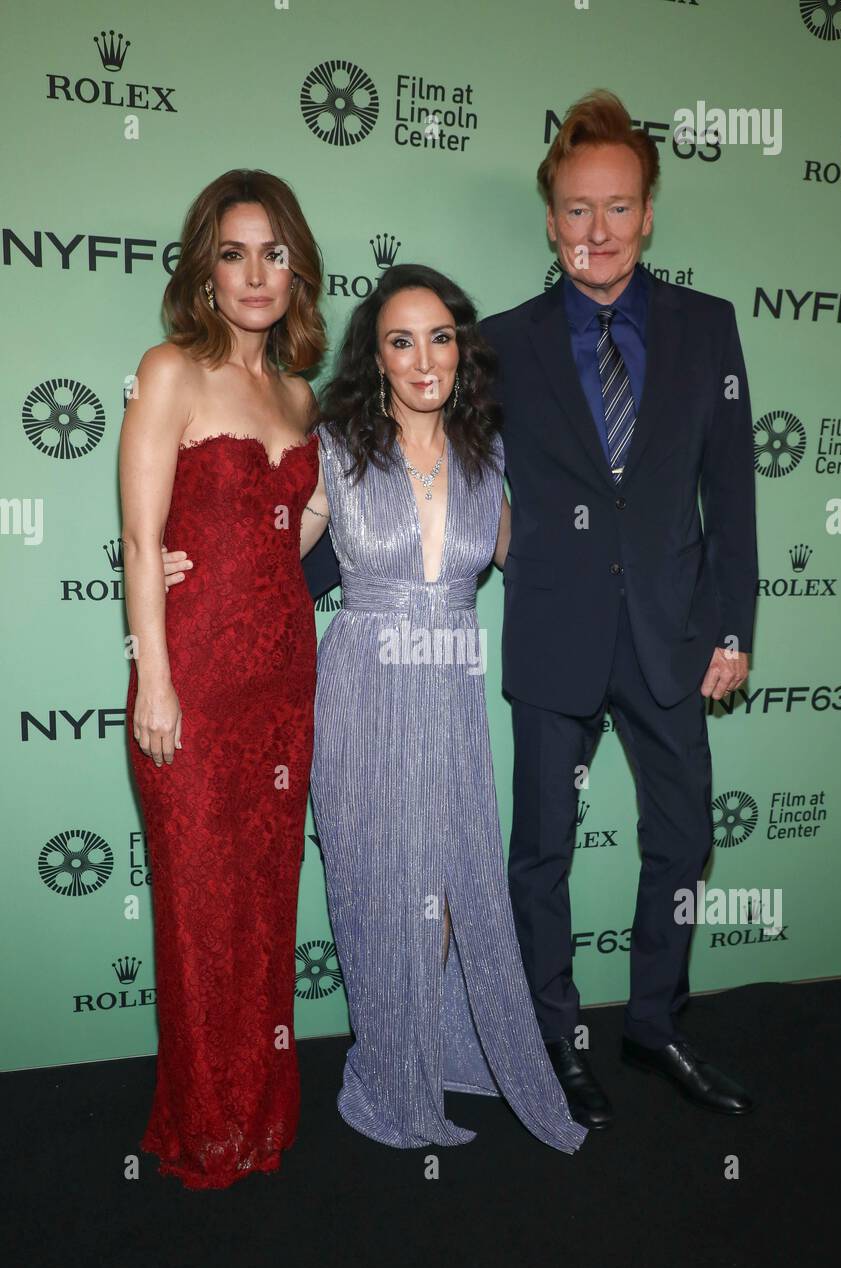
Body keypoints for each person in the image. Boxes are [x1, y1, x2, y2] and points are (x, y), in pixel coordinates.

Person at [166, 264, 589, 1154]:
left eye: (440, 337)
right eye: (402, 340)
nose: (423, 358)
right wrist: (186, 563)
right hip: (362, 688)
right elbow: (272, 548)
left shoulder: (488, 453)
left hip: (452, 692)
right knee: (375, 887)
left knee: (443, 888)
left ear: (463, 352)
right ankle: (388, 1072)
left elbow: (538, 566)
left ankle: (426, 1049)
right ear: (379, 357)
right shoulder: (339, 451)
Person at [479, 90, 758, 1127]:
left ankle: (653, 1024)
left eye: (617, 208)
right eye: (574, 210)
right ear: (549, 219)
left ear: (647, 213)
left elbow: (728, 494)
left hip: (671, 635)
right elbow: (435, 477)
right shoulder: (499, 341)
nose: (595, 231)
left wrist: (731, 629)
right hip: (553, 631)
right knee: (541, 847)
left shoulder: (705, 328)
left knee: (680, 839)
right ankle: (553, 1038)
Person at [121, 169, 326, 1189]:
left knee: (265, 904)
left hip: (287, 682)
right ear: (205, 268)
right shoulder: (171, 371)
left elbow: (302, 524)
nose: (256, 273)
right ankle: (206, 1129)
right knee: (200, 914)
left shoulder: (296, 393)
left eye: (274, 252)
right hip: (195, 682)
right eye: (235, 252)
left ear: (298, 269)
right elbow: (135, 531)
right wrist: (154, 678)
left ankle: (259, 1118)